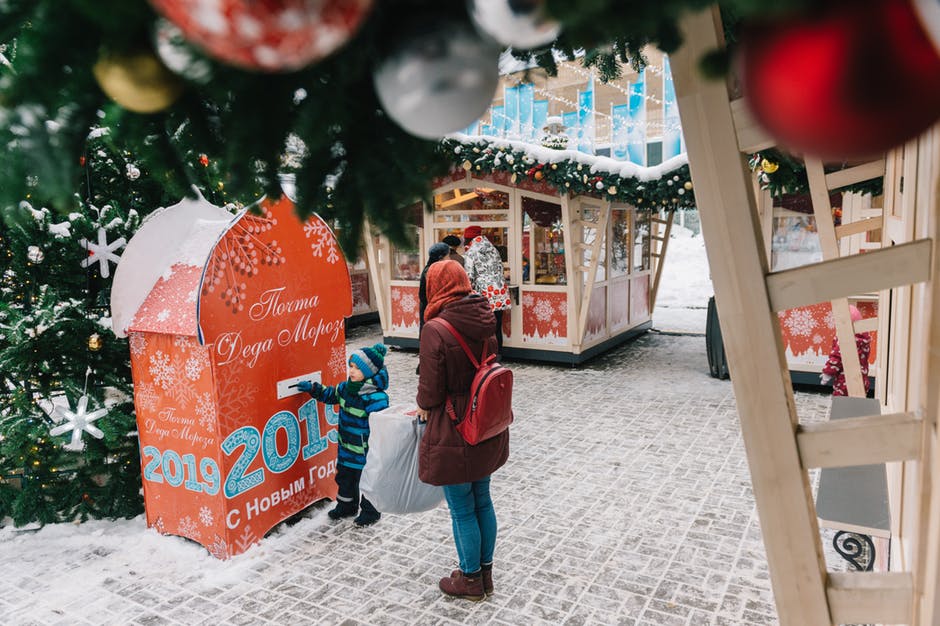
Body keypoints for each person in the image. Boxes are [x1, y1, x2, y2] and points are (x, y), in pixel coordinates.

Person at [416, 259, 510, 601]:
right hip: (483, 422)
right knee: (482, 499)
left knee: (461, 507)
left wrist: (422, 405)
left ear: (434, 288)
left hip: (454, 427)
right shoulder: (485, 315)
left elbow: (429, 393)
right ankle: (484, 574)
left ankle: (469, 580)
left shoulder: (435, 329)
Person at [297, 343, 390, 527]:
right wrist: (313, 389)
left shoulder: (376, 397)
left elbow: (381, 423)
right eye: (351, 366)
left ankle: (371, 512)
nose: (352, 371)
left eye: (357, 368)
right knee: (345, 478)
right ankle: (347, 506)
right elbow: (330, 394)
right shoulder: (345, 389)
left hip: (366, 452)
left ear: (370, 373)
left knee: (368, 482)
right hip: (347, 449)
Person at [462, 226, 511, 356]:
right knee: (497, 324)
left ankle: (487, 355)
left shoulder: (472, 251)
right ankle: (499, 353)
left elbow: (469, 276)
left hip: (484, 294)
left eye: (465, 238)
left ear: (469, 237)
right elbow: (500, 268)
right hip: (499, 292)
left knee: (484, 326)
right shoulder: (493, 249)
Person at [820, 305, 872, 396]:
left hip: (845, 381)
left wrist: (827, 373)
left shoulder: (846, 339)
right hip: (861, 378)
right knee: (857, 399)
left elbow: (837, 357)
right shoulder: (863, 339)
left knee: (842, 401)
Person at [418, 242, 452, 335]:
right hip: (432, 311)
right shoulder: (433, 271)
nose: (449, 258)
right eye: (448, 256)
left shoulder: (429, 268)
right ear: (441, 258)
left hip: (428, 309)